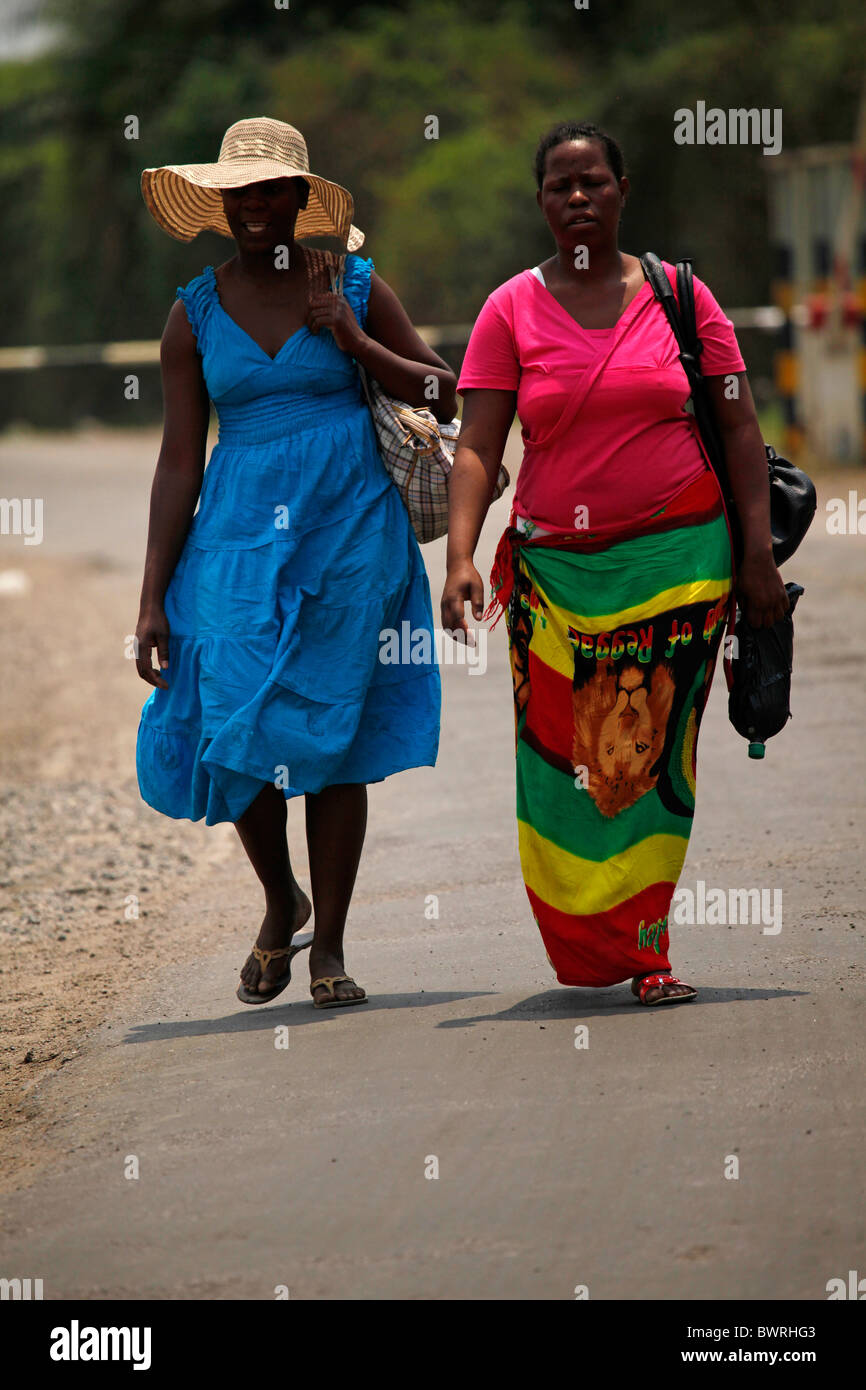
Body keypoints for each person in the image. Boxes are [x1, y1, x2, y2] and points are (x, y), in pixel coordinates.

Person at [441, 120, 788, 1006]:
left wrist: (756, 558)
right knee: (567, 767)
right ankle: (588, 943)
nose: (579, 198)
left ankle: (647, 950)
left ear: (624, 190)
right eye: (560, 186)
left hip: (681, 566)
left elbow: (739, 427)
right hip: (558, 580)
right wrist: (461, 556)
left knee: (652, 756)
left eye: (594, 181)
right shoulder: (509, 310)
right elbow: (478, 445)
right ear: (541, 204)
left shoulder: (682, 297)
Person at [135, 118, 455, 1009]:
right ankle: (282, 899)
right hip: (235, 545)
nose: (254, 206)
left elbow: (445, 390)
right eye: (239, 192)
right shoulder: (192, 313)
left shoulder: (352, 283)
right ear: (219, 203)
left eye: (272, 190)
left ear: (302, 201)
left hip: (349, 537)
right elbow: (176, 462)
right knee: (232, 726)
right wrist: (153, 596)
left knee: (334, 734)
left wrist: (352, 339)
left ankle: (332, 951)